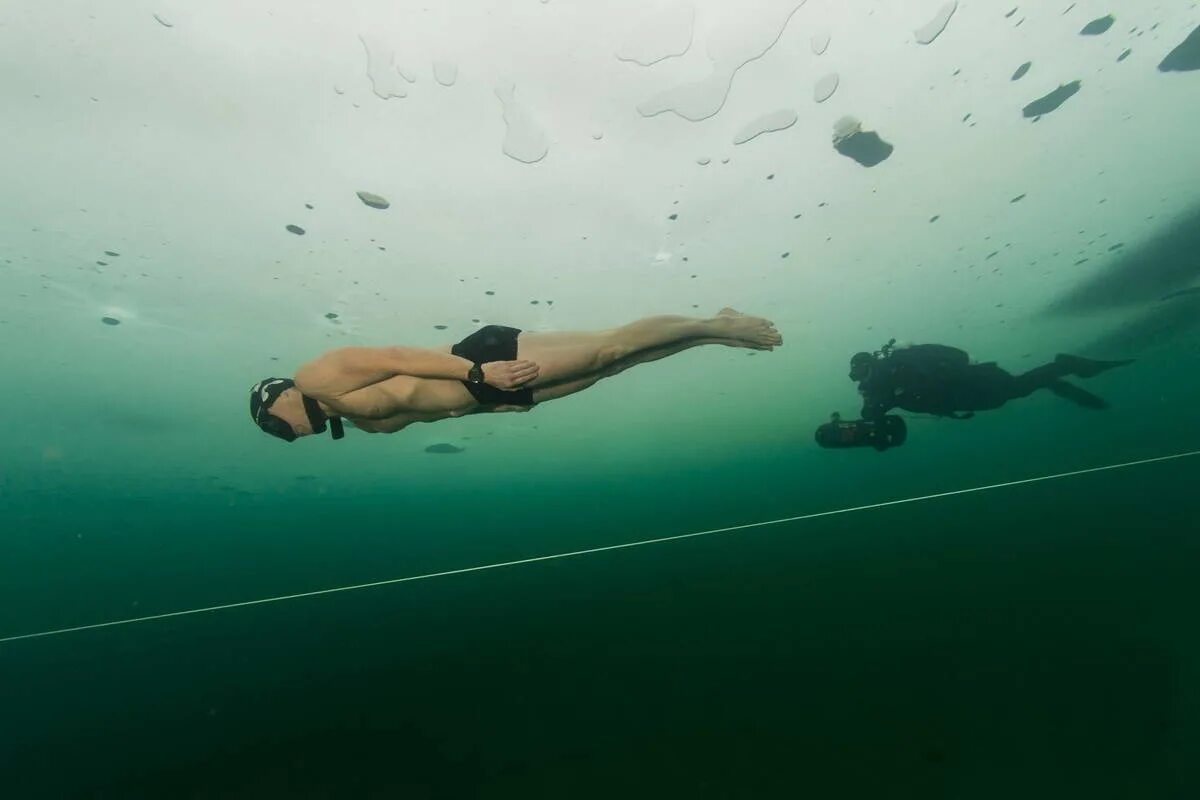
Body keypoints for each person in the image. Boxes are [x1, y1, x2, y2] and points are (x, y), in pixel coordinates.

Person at [249, 309, 783, 442]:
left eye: (273, 427)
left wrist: (479, 371)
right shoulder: (356, 423)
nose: (284, 436)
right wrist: (486, 403)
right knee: (616, 366)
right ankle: (713, 333)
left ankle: (716, 323)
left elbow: (396, 357)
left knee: (606, 348)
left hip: (486, 361)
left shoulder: (316, 378)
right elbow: (427, 410)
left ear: (279, 398)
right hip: (490, 394)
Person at [815, 340, 1133, 451]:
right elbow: (878, 414)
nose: (861, 381)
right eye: (858, 376)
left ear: (873, 366)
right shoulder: (886, 384)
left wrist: (872, 414)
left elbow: (885, 406)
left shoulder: (898, 371)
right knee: (1019, 390)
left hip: (975, 386)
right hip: (971, 393)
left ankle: (1064, 367)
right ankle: (1056, 378)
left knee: (1018, 390)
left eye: (863, 373)